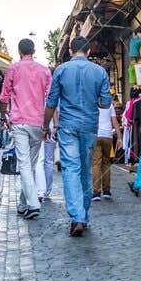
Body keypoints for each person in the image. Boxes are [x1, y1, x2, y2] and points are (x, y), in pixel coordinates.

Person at [42, 36, 112, 237]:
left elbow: (52, 101)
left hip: (68, 126)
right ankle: (83, 215)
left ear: (70, 51)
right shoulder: (99, 72)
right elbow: (105, 104)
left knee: (71, 169)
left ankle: (77, 217)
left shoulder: (61, 70)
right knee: (85, 169)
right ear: (89, 51)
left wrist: (45, 125)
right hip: (89, 126)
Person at [0, 38, 52, 219]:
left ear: (19, 51)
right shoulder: (44, 71)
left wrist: (3, 116)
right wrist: (48, 124)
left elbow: (4, 96)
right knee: (29, 164)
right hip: (38, 122)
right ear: (34, 50)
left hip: (19, 121)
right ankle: (23, 204)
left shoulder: (13, 69)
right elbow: (50, 100)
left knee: (25, 165)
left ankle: (33, 204)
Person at [92, 96, 116, 200]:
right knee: (106, 163)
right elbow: (114, 122)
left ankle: (96, 192)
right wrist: (119, 137)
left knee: (96, 163)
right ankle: (106, 191)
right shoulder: (109, 104)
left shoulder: (92, 103)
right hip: (108, 136)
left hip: (96, 135)